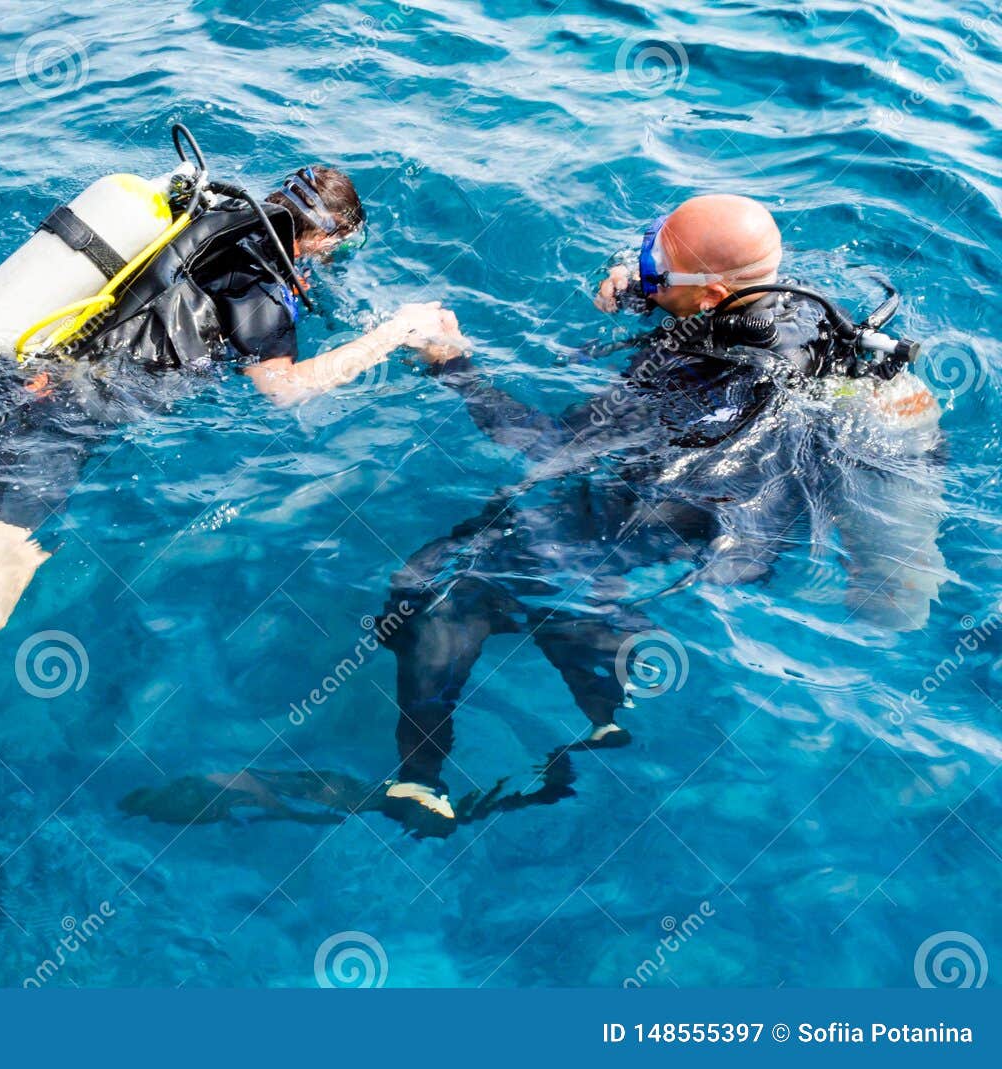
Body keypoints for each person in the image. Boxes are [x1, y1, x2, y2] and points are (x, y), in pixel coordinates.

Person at [378, 193, 946, 837]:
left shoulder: (679, 373)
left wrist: (455, 368)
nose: (641, 271)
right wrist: (644, 295)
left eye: (655, 268)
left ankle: (419, 781)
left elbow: (543, 445)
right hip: (730, 522)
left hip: (664, 502)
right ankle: (604, 714)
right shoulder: (812, 320)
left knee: (436, 590)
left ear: (709, 297)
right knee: (566, 576)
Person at [0, 165, 460, 647]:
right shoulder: (261, 285)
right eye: (337, 247)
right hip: (50, 427)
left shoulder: (209, 217)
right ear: (321, 238)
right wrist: (395, 333)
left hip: (10, 379)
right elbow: (282, 389)